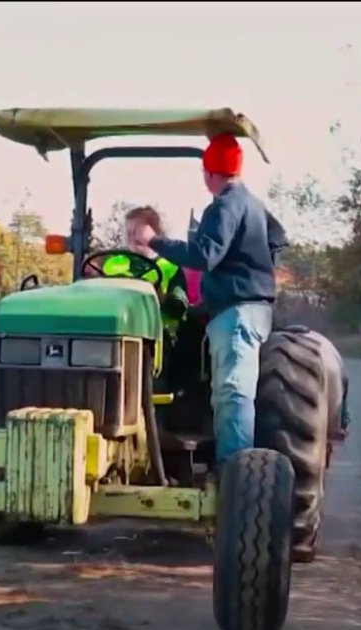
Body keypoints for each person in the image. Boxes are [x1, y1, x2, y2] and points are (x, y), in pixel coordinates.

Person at [129, 133, 277, 467]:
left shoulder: (224, 206)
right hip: (249, 306)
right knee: (231, 391)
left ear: (210, 173)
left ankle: (234, 472)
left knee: (233, 393)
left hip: (236, 310)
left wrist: (156, 242)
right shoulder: (252, 205)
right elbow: (277, 240)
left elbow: (204, 254)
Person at [100, 206, 191, 338]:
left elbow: (179, 308)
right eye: (129, 232)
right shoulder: (112, 263)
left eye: (137, 232)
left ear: (154, 234)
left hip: (155, 335)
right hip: (114, 331)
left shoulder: (170, 268)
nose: (132, 237)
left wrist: (160, 297)